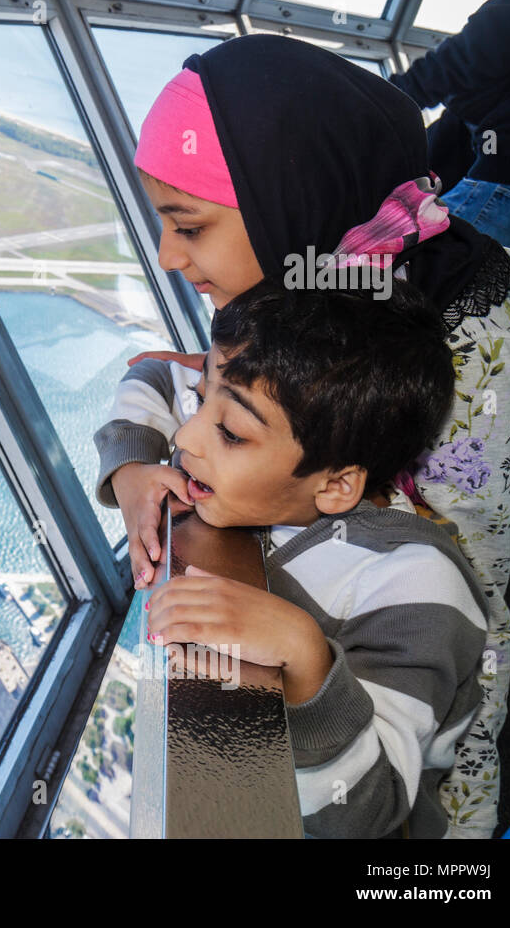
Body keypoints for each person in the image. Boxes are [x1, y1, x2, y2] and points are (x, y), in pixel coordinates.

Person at [95, 34, 510, 836]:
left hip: (412, 686)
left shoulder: (476, 352)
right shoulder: (300, 283)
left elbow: (456, 577)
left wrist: (304, 655)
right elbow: (172, 372)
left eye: (187, 226)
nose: (166, 256)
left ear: (287, 199)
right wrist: (133, 464)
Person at [140, 279, 485, 838]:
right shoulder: (273, 464)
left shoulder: (419, 590)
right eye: (203, 401)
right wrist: (131, 469)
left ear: (336, 486)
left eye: (229, 432)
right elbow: (150, 374)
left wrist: (306, 658)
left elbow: (370, 811)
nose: (186, 435)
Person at [386, 0, 510, 534]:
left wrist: (392, 98)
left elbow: (487, 44)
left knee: (398, 324)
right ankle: (495, 505)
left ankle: (382, 498)